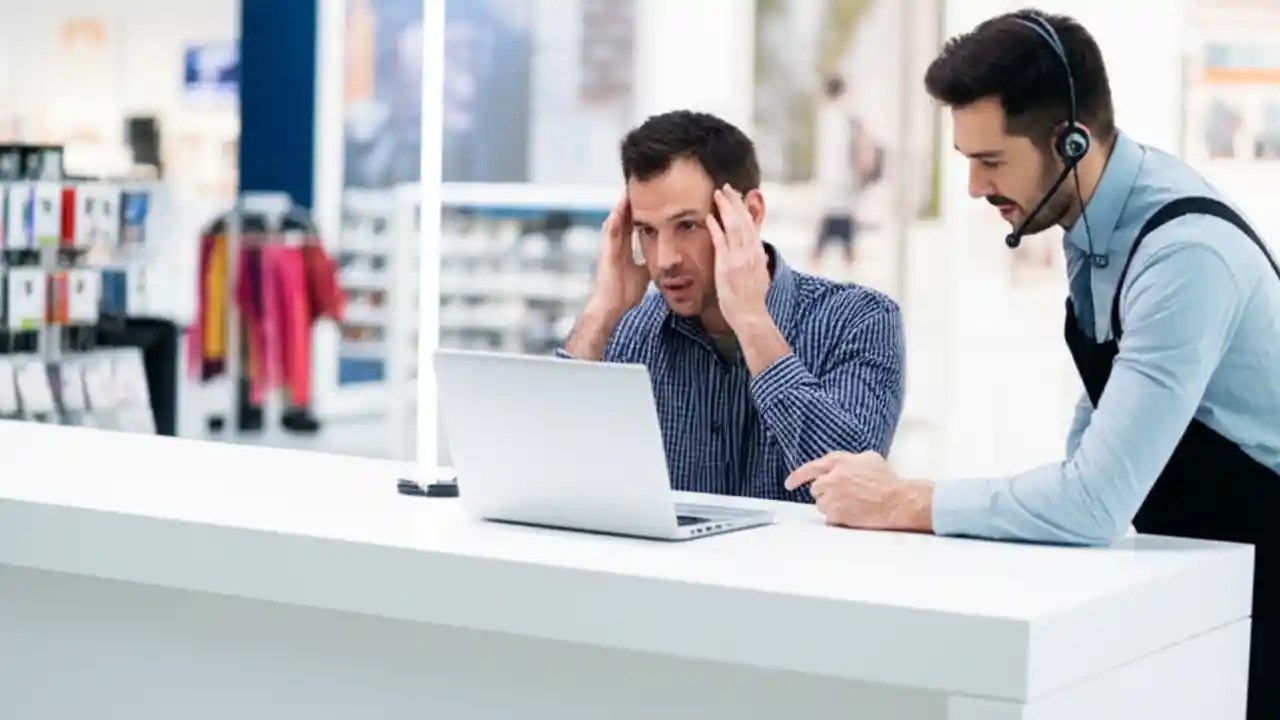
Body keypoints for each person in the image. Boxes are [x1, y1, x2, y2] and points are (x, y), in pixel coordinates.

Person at [784, 11, 1280, 718]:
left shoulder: (1182, 258)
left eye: (990, 162)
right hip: (1211, 578)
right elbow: (1092, 454)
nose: (973, 190)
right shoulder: (1095, 229)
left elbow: (1094, 499)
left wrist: (903, 501)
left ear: (1069, 141)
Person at [559, 109, 905, 502]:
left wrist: (753, 322)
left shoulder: (860, 320)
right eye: (648, 231)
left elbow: (852, 482)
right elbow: (540, 469)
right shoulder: (629, 334)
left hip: (795, 566)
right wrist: (600, 315)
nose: (665, 258)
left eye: (687, 226)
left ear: (750, 214)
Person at [811, 75, 864, 268]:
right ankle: (848, 262)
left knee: (830, 222)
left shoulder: (828, 116)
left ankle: (823, 261)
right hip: (842, 180)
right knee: (841, 223)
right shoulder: (844, 117)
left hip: (832, 179)